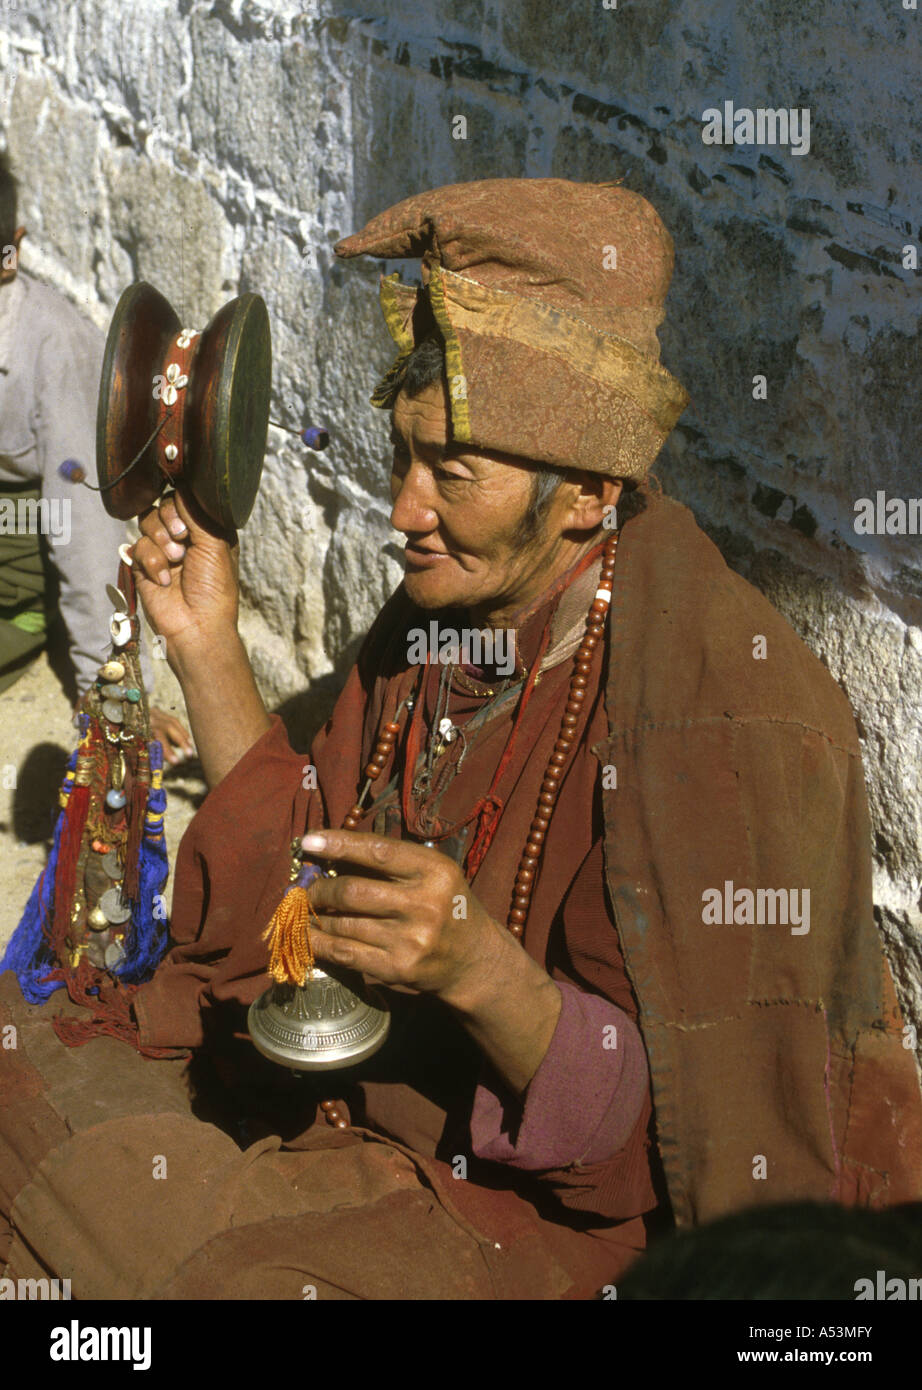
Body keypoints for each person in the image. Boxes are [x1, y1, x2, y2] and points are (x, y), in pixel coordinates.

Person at [0, 178, 919, 1301]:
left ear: (585, 491)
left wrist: (488, 976)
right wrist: (206, 644)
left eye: (452, 473)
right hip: (358, 1118)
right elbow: (302, 877)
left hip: (531, 1229)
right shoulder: (456, 610)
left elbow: (695, 1146)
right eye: (401, 454)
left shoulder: (719, 716)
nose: (401, 510)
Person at [0, 150, 192, 763]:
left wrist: (109, 682)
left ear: (14, 250)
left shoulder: (54, 349)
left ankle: (30, 629)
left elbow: (84, 534)